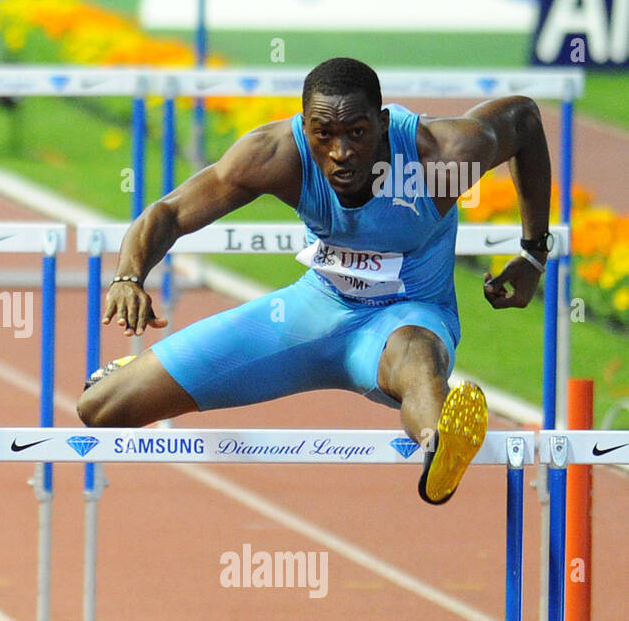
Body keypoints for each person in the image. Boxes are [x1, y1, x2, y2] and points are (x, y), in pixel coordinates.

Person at [77, 57, 552, 505]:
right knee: (101, 409)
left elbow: (524, 120)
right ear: (304, 128)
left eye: (357, 133)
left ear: (383, 124)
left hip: (405, 318)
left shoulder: (443, 158)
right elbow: (171, 212)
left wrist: (533, 254)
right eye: (323, 135)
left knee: (416, 360)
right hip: (311, 311)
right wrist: (128, 275)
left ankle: (440, 442)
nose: (341, 153)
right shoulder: (276, 156)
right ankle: (125, 374)